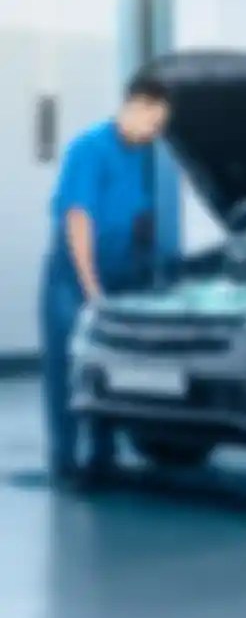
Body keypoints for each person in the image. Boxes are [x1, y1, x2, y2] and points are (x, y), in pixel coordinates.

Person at [41, 75, 169, 486]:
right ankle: (65, 461)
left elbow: (141, 217)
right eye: (153, 121)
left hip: (120, 273)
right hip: (72, 277)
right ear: (134, 106)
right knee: (69, 367)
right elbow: (78, 220)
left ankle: (104, 457)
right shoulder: (90, 148)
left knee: (110, 366)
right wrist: (91, 289)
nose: (155, 132)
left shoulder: (144, 156)